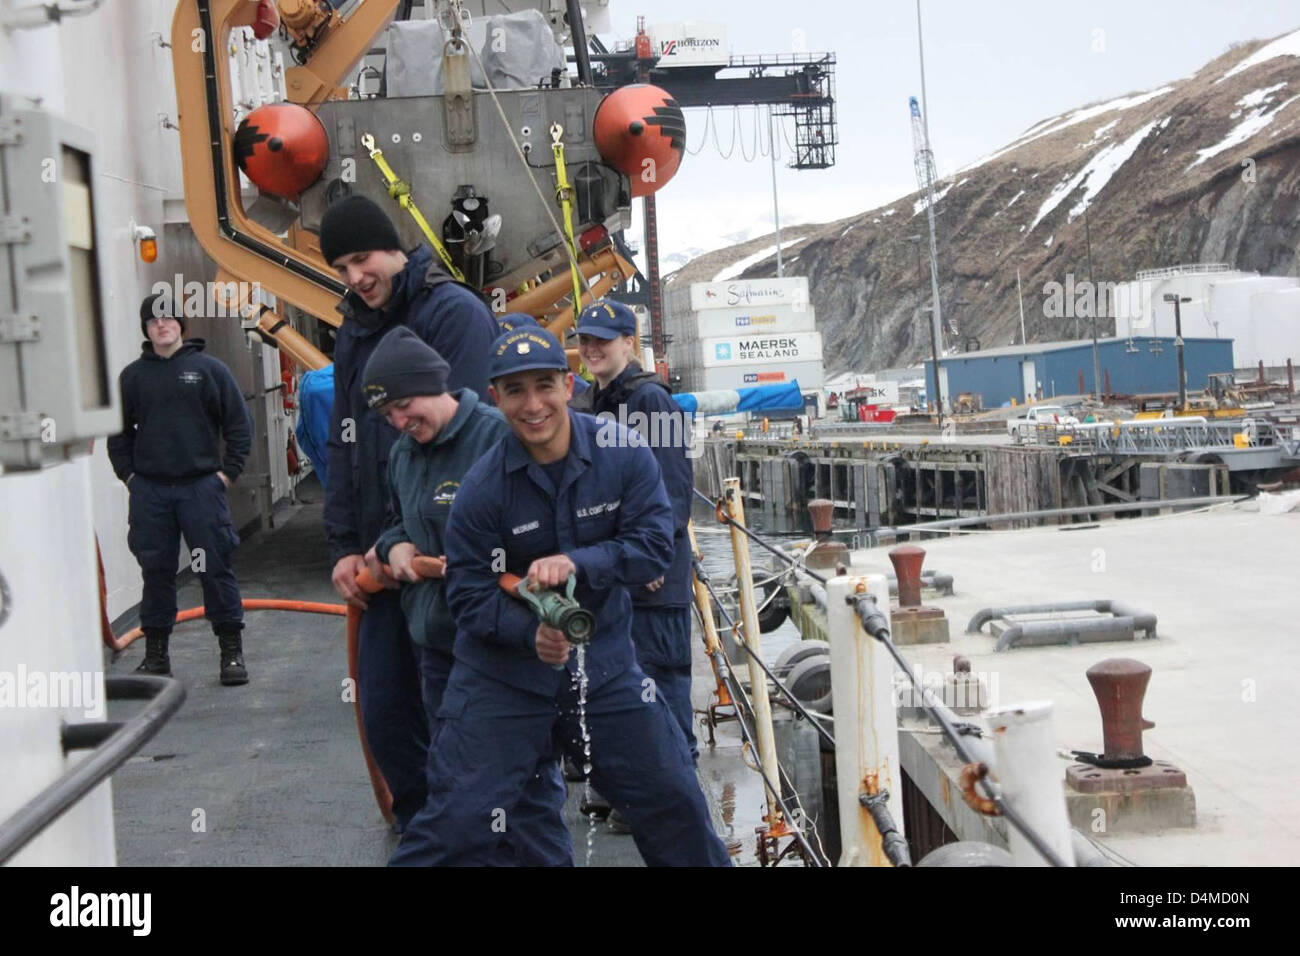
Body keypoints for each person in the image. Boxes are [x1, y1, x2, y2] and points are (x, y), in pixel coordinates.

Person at [389, 326, 730, 866]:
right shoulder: (482, 488)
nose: (533, 405)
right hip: (502, 677)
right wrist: (532, 633)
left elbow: (652, 548)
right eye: (516, 391)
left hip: (605, 669)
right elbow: (470, 595)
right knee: (456, 827)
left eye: (545, 385)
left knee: (674, 805)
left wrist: (580, 562)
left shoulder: (622, 453)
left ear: (569, 386)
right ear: (496, 397)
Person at [320, 195, 500, 831]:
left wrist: (433, 551)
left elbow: (473, 441)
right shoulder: (351, 331)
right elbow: (344, 439)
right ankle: (425, 829)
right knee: (387, 710)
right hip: (383, 558)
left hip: (452, 562)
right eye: (341, 266)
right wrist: (347, 544)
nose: (354, 277)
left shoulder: (455, 313)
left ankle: (474, 830)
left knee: (465, 713)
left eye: (361, 259)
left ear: (394, 249)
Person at [363, 327, 570, 864]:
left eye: (405, 407)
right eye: (389, 416)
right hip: (437, 646)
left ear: (436, 387)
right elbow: (392, 521)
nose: (399, 423)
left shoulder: (498, 436)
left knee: (523, 792)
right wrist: (397, 548)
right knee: (457, 791)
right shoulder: (405, 455)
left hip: (503, 648)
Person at [570, 300, 698, 762]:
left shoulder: (648, 400)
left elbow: (674, 488)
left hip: (652, 576)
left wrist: (654, 558)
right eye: (585, 340)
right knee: (627, 681)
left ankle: (677, 778)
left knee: (659, 683)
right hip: (621, 570)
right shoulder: (596, 401)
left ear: (629, 342)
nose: (590, 348)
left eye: (602, 340)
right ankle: (635, 784)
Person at [107, 293, 253, 684]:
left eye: (169, 318)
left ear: (181, 324)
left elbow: (239, 426)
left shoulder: (209, 371)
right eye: (154, 321)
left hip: (201, 489)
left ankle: (231, 655)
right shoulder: (133, 378)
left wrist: (226, 474)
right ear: (146, 329)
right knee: (156, 571)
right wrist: (130, 477)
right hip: (151, 492)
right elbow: (117, 433)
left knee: (214, 568)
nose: (162, 325)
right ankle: (156, 657)